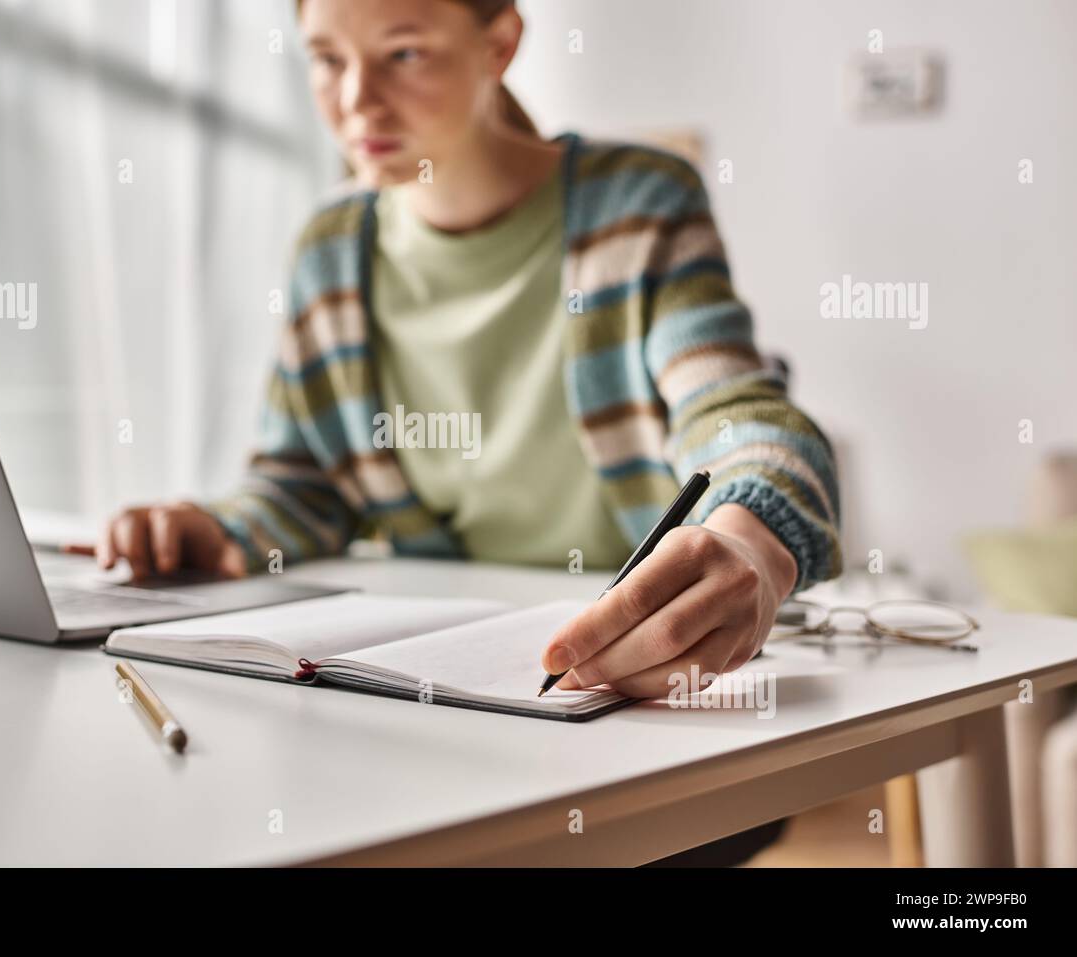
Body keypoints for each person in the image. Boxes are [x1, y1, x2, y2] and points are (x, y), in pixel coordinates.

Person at [89, 0, 842, 864]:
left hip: (627, 708)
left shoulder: (638, 201)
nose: (357, 101)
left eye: (403, 53)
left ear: (500, 44)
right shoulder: (330, 245)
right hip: (437, 704)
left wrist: (751, 543)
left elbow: (738, 412)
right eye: (327, 59)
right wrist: (218, 528)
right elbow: (301, 486)